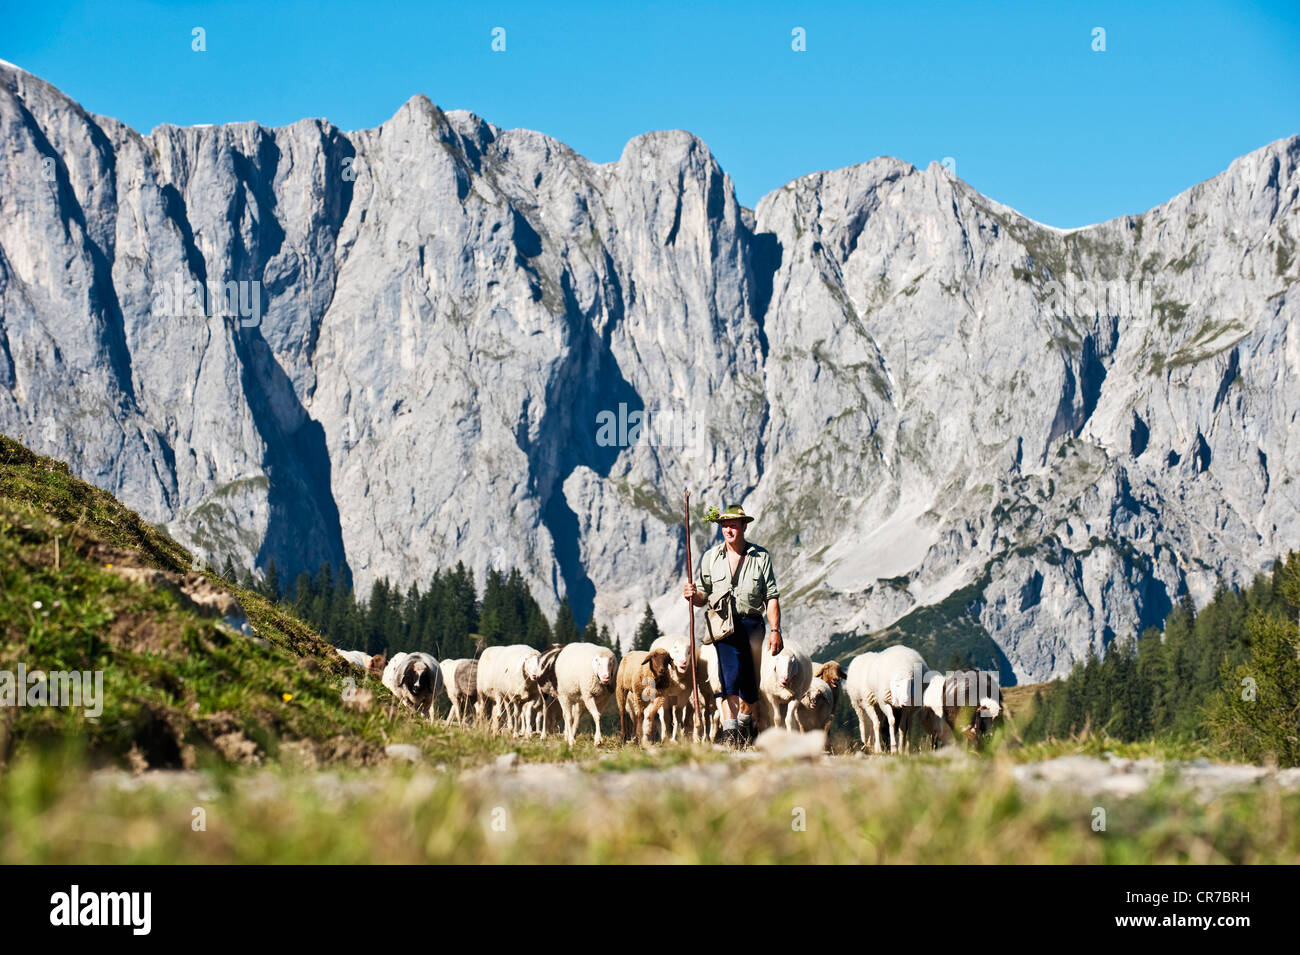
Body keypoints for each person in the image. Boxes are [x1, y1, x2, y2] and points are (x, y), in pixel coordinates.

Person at [683, 504, 782, 749]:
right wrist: (692, 595)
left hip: (752, 625)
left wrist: (776, 630)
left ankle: (745, 723)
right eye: (724, 526)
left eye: (733, 525)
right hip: (722, 625)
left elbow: (771, 597)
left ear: (743, 527)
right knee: (728, 677)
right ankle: (730, 734)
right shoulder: (711, 558)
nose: (728, 530)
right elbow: (703, 596)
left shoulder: (761, 557)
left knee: (749, 684)